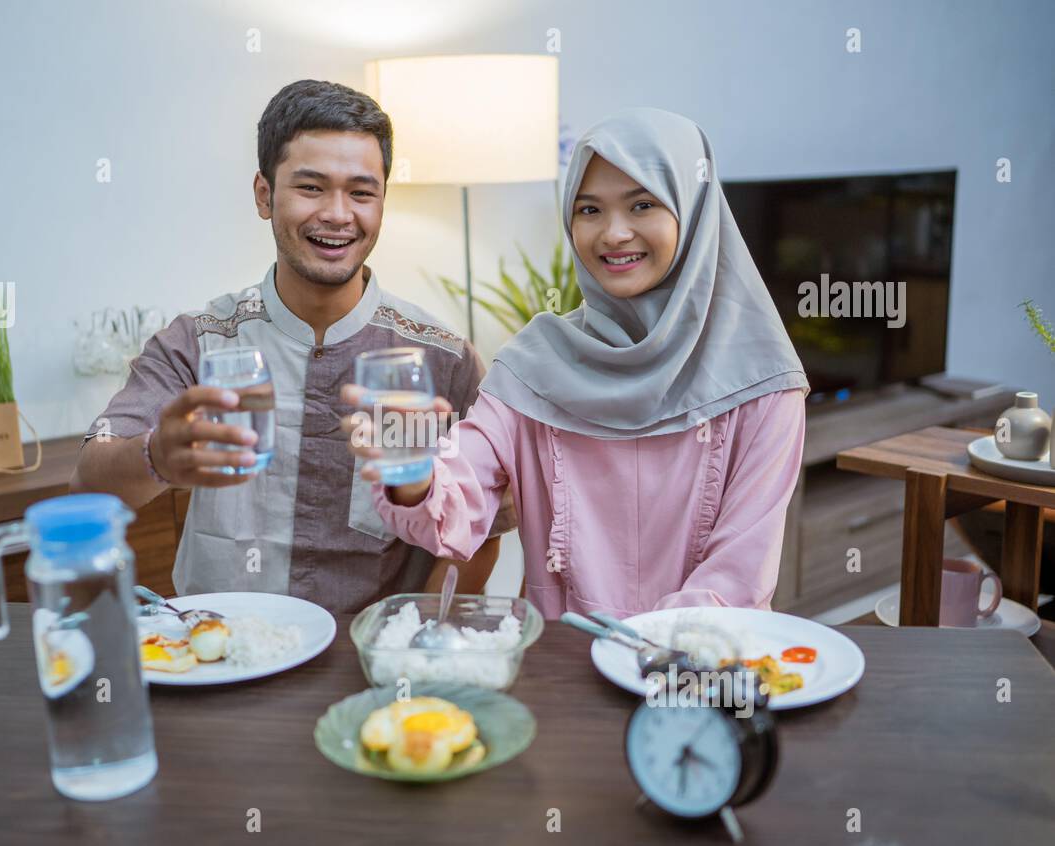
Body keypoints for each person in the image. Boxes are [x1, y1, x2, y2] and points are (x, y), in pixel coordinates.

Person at [341, 108, 809, 620]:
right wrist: (410, 470)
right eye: (589, 210)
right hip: (560, 667)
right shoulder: (532, 365)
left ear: (695, 213)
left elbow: (737, 579)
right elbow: (453, 513)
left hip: (695, 667)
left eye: (643, 204)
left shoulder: (763, 383)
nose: (613, 233)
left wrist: (644, 658)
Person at [71, 79, 513, 614]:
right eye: (310, 187)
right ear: (264, 194)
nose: (337, 213)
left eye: (361, 191)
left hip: (374, 666)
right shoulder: (196, 342)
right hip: (226, 652)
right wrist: (157, 457)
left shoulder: (443, 361)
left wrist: (412, 640)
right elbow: (91, 482)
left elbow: (485, 528)